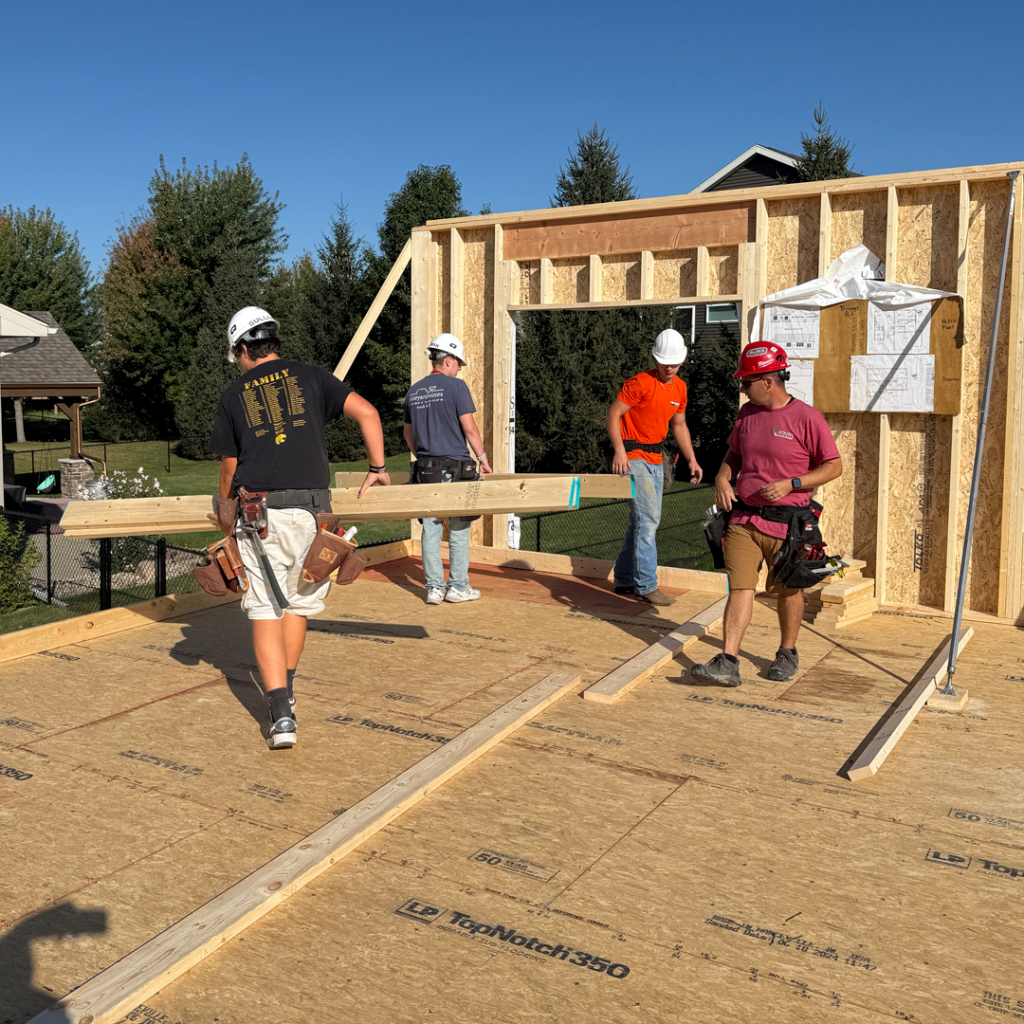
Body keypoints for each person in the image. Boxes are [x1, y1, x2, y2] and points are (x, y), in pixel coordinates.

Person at [208, 306, 388, 749]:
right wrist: (378, 467)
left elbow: (230, 469)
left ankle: (280, 714)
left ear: (244, 348)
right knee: (296, 604)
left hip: (259, 515)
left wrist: (225, 512)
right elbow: (368, 413)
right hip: (314, 516)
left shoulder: (233, 396)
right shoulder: (311, 376)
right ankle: (287, 691)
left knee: (266, 608)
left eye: (238, 354)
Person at [691, 340, 843, 687]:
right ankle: (728, 661)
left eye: (746, 383)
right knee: (740, 588)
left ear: (768, 381)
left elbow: (834, 466)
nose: (742, 389)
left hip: (788, 524)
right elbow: (734, 454)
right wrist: (722, 477)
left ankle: (786, 652)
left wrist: (794, 483)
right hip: (743, 519)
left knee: (789, 590)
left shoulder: (807, 418)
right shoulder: (747, 414)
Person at [607, 328, 702, 607]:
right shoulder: (639, 384)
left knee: (640, 522)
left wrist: (692, 460)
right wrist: (619, 452)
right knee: (649, 522)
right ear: (655, 359)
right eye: (664, 362)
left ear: (682, 361)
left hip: (656, 458)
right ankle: (647, 585)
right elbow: (613, 415)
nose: (669, 367)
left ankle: (624, 579)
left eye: (674, 363)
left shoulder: (680, 388)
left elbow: (679, 425)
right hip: (633, 454)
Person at [403, 333, 492, 605]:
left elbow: (408, 434)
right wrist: (483, 458)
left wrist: (424, 457)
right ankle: (457, 586)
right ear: (449, 360)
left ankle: (433, 588)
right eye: (459, 364)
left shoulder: (414, 391)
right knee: (458, 527)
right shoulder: (456, 388)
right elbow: (470, 428)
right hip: (457, 466)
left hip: (426, 468)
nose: (460, 369)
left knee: (430, 527)